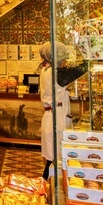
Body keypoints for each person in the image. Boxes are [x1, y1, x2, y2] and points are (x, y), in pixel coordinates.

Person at [39, 41, 87, 180]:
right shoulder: (56, 73)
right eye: (64, 58)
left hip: (53, 116)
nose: (65, 61)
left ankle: (47, 187)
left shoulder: (47, 69)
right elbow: (80, 70)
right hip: (55, 119)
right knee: (53, 160)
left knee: (52, 159)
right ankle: (47, 189)